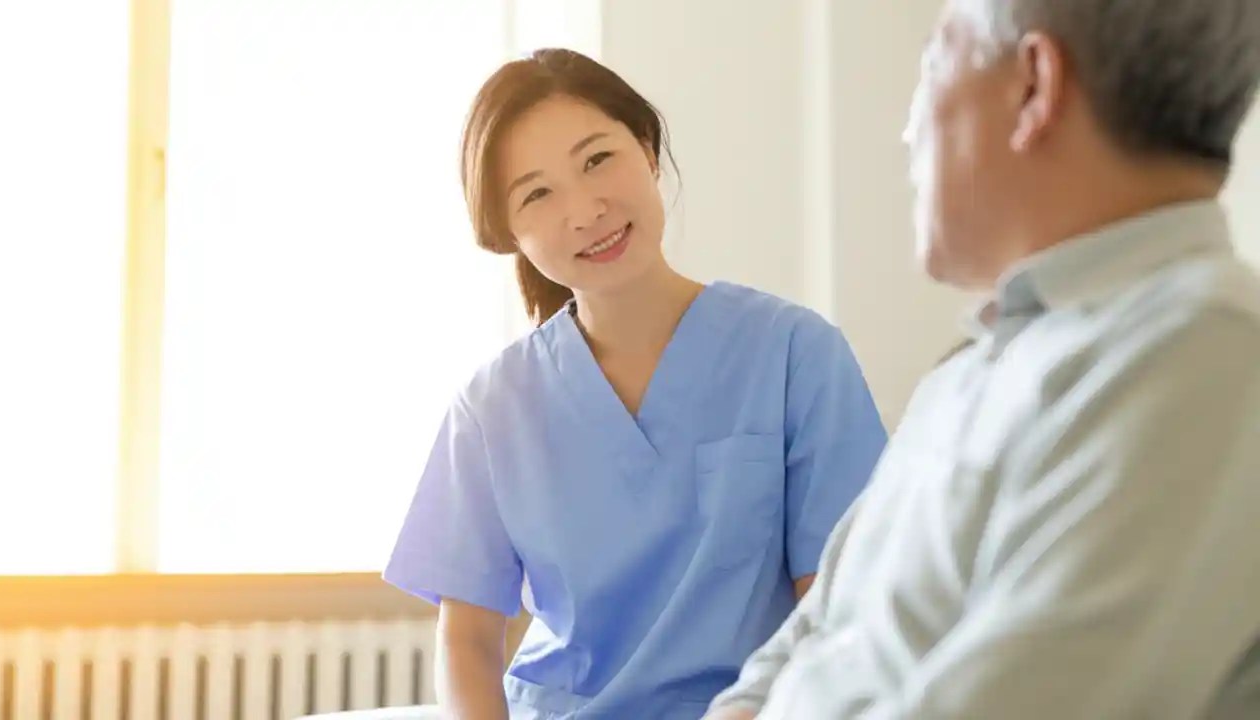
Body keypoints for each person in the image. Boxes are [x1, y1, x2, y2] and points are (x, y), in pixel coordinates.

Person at [706, 0, 1260, 717]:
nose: (906, 129)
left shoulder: (1203, 359)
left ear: (1034, 85)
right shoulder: (976, 365)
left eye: (934, 62)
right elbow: (804, 641)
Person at [382, 48, 887, 720]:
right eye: (537, 193)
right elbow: (468, 640)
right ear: (509, 233)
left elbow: (837, 606)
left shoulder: (795, 354)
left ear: (647, 149)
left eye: (598, 160)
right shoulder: (492, 407)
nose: (585, 210)